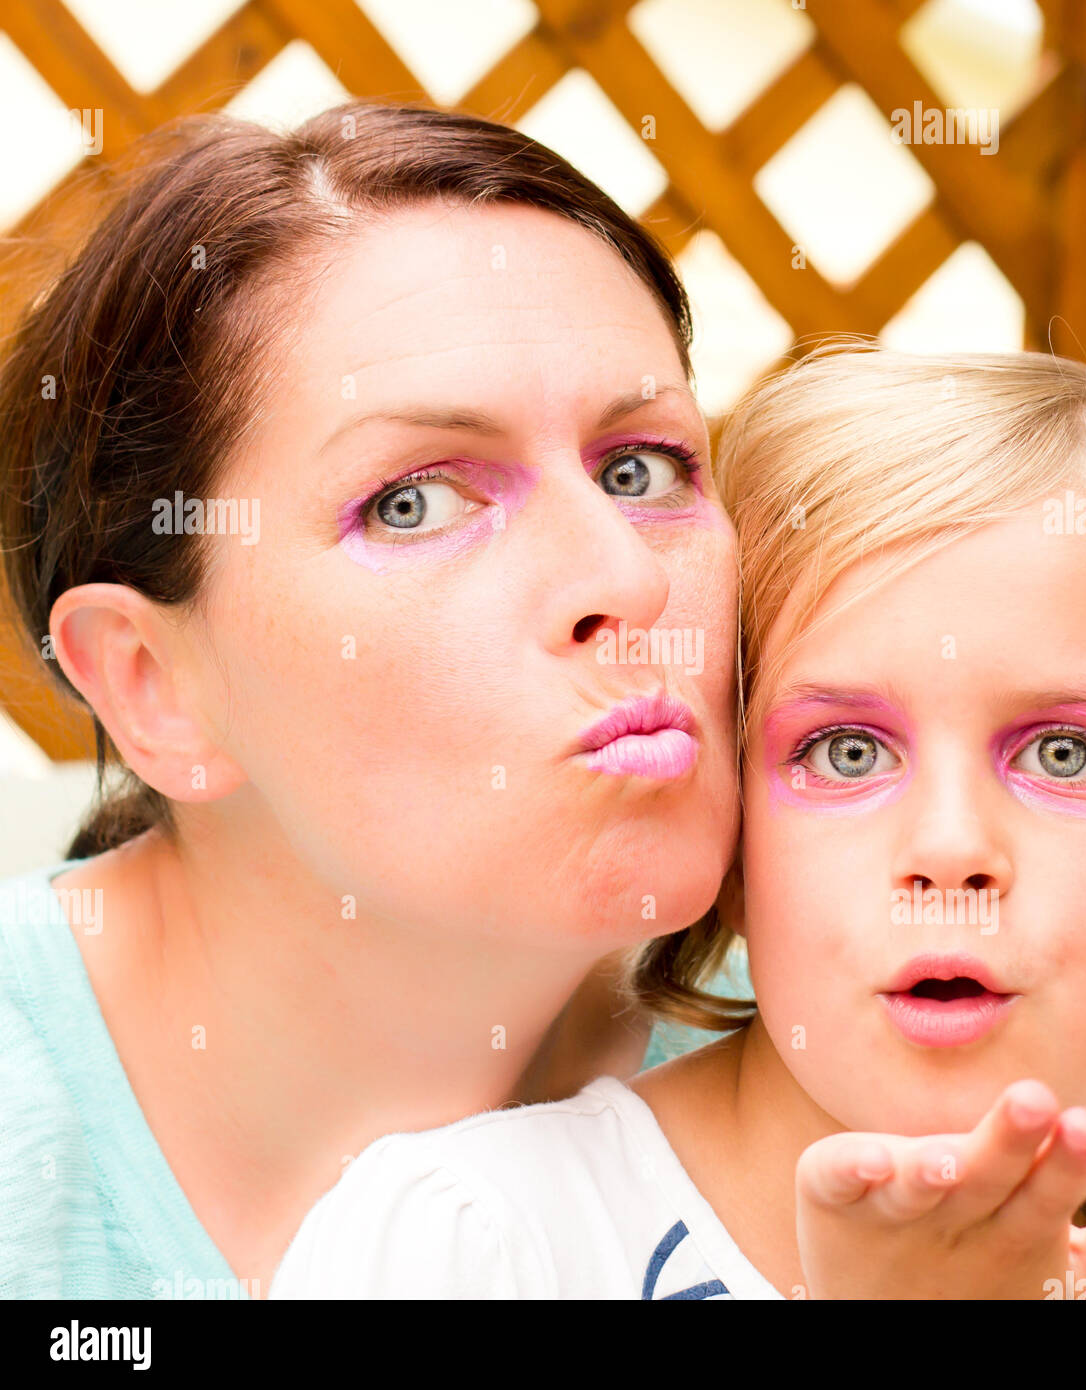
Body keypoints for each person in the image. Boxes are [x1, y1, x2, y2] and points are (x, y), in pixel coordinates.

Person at [268, 345, 1086, 1299]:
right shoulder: (470, 1244)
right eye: (845, 751)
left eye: (1063, 754)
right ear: (721, 828)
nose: (948, 849)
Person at [0, 102, 741, 1297]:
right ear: (154, 686)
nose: (625, 576)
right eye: (415, 501)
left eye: (639, 468)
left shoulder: (863, 1055)